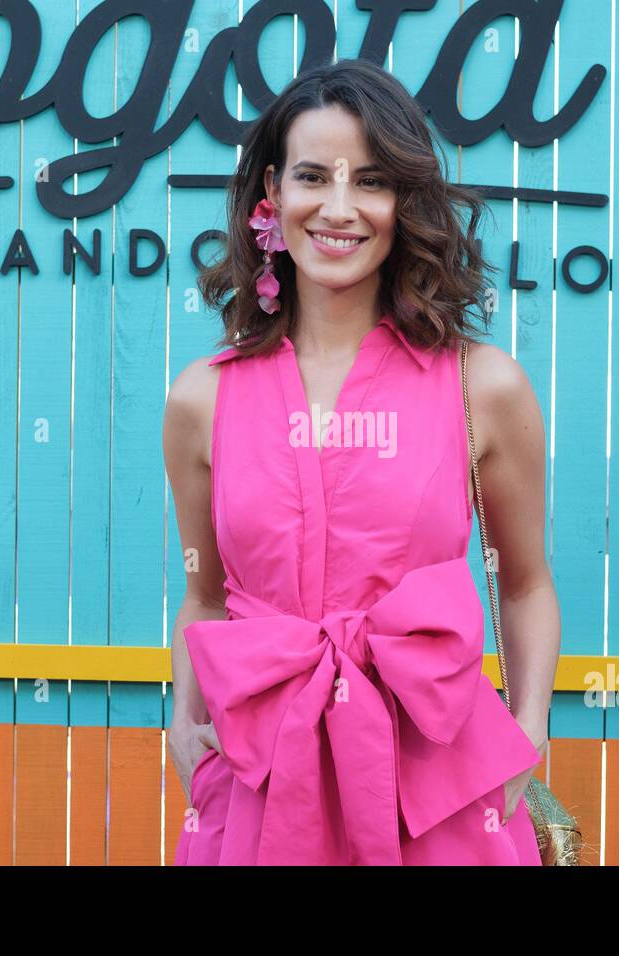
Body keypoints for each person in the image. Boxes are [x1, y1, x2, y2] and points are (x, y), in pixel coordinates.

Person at [162, 57, 562, 865]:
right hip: (259, 787)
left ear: (402, 202)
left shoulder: (482, 385)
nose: (339, 209)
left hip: (443, 795)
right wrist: (182, 723)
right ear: (271, 191)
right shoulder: (201, 399)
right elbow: (204, 593)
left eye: (371, 181)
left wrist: (528, 732)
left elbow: (524, 583)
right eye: (313, 176)